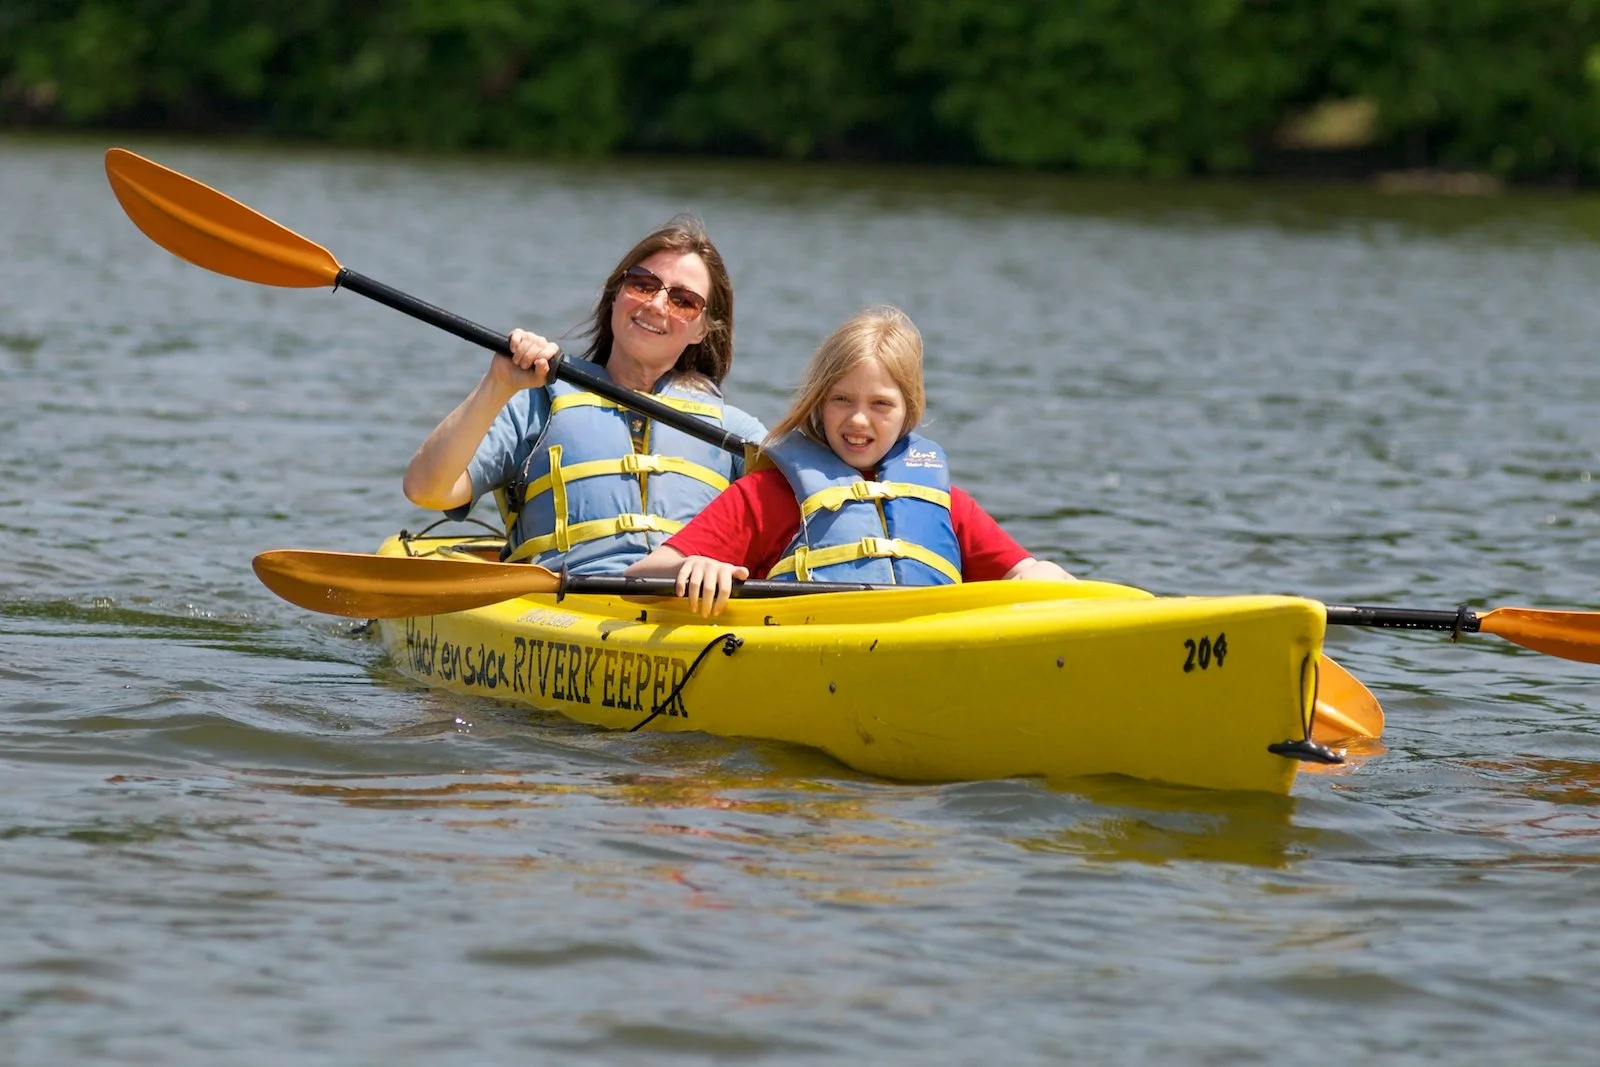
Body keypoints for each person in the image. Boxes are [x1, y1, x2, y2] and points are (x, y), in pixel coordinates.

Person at [624, 305, 1074, 616]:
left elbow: (1024, 573)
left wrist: (1045, 574)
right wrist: (694, 567)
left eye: (881, 404)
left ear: (908, 412)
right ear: (818, 404)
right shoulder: (767, 496)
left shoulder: (947, 504)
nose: (858, 419)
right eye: (841, 399)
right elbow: (641, 576)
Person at [403, 215, 766, 574]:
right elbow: (427, 490)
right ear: (615, 296)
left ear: (703, 330)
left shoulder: (733, 432)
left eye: (683, 300)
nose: (656, 305)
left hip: (688, 607)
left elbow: (807, 518)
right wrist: (496, 385)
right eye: (643, 284)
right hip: (567, 604)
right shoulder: (536, 401)